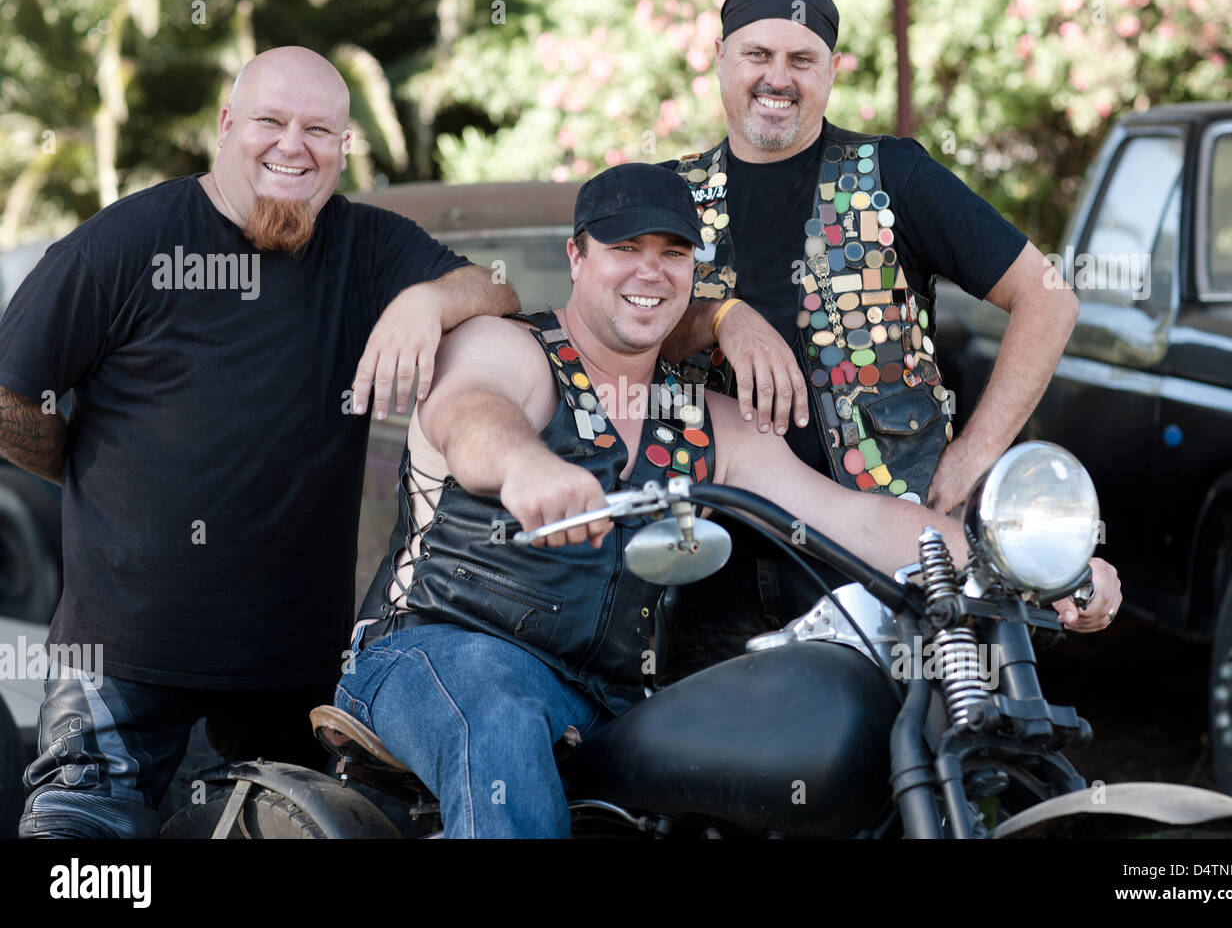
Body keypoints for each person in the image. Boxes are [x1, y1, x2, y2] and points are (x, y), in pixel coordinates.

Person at [336, 163, 1121, 838]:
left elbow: (859, 519)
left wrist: (1037, 565)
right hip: (434, 651)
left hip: (608, 695)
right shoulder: (514, 348)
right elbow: (474, 417)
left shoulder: (706, 419)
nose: (650, 272)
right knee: (497, 712)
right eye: (625, 249)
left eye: (672, 253)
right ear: (577, 257)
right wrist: (523, 468)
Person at [0, 47, 520, 838]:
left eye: (320, 128)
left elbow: (498, 289)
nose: (293, 144)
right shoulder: (122, 244)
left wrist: (424, 300)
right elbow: (9, 394)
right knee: (83, 861)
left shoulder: (371, 249)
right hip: (124, 652)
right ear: (227, 125)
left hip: (289, 666)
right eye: (272, 121)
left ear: (345, 147)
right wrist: (91, 474)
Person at [656, 0, 1085, 675]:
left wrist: (973, 457)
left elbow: (1048, 298)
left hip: (883, 567)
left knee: (910, 771)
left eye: (802, 60)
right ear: (721, 57)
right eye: (757, 54)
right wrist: (718, 317)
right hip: (711, 567)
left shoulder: (894, 176)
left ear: (833, 69)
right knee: (713, 772)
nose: (777, 78)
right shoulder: (670, 196)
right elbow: (617, 341)